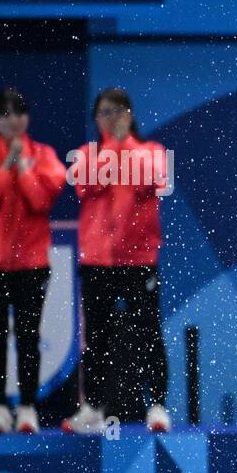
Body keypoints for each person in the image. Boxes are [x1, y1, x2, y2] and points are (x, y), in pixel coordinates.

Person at [63, 88, 172, 433]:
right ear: (96, 119)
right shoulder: (85, 155)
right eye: (105, 112)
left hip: (139, 258)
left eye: (118, 111)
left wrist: (125, 144)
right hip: (97, 260)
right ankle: (93, 409)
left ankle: (156, 406)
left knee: (147, 333)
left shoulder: (152, 152)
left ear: (130, 113)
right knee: (97, 337)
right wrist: (114, 144)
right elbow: (87, 184)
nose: (112, 117)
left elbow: (151, 180)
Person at [0, 88, 66, 433]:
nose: (12, 120)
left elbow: (41, 200)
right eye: (4, 114)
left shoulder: (45, 155)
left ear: (27, 118)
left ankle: (28, 408)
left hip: (32, 265)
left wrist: (21, 164)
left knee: (28, 336)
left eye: (18, 112)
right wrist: (7, 164)